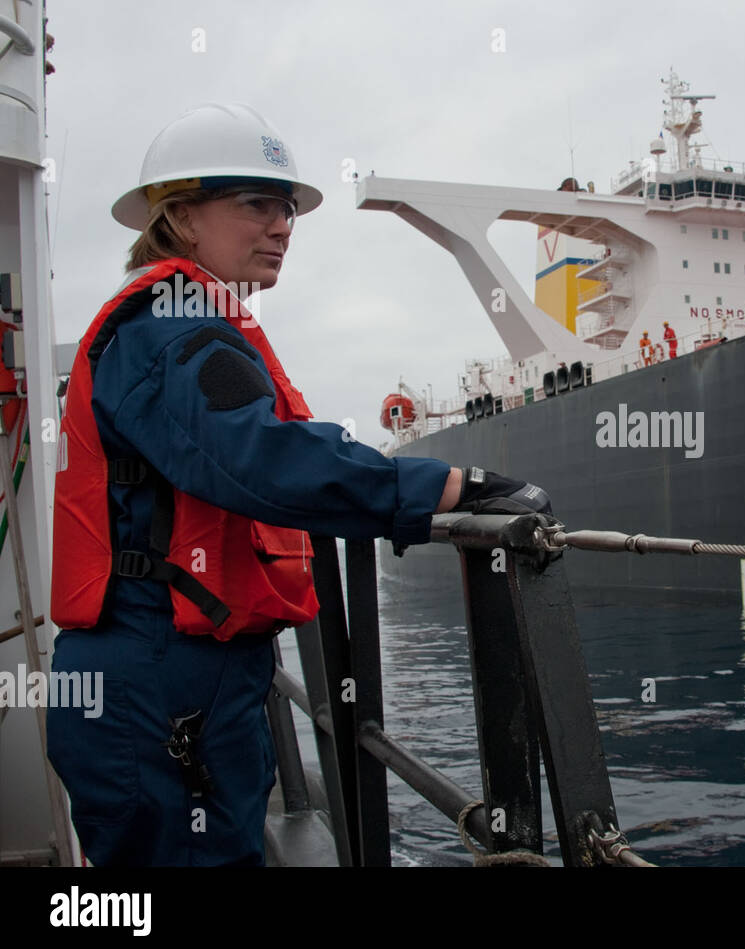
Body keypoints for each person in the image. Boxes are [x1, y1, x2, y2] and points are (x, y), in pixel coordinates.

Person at [44, 103, 552, 867]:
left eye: (287, 209)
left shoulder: (179, 323)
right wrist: (452, 487)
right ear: (180, 218)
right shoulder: (168, 329)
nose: (283, 225)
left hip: (182, 672)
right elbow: (263, 460)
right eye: (258, 205)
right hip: (160, 682)